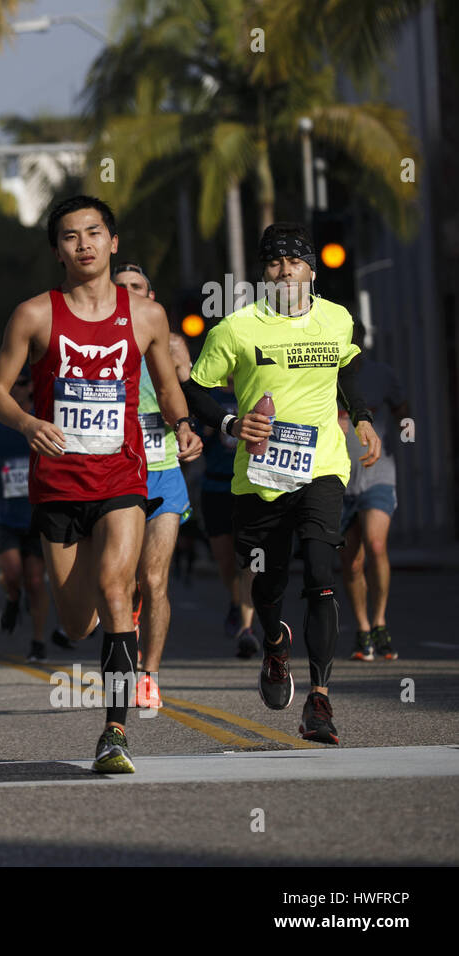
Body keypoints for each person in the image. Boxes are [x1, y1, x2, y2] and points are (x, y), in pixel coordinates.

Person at [0, 195, 201, 774]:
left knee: (116, 587)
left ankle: (114, 731)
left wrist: (181, 425)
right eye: (71, 237)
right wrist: (29, 423)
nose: (84, 244)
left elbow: (168, 385)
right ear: (57, 250)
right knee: (78, 622)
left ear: (113, 241)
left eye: (94, 233)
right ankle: (91, 635)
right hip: (58, 484)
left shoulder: (146, 316)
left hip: (122, 475)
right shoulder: (35, 314)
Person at [179, 221, 380, 745]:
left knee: (320, 571)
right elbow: (195, 389)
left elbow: (348, 366)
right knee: (267, 585)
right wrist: (228, 424)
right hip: (260, 477)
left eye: (295, 261)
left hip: (323, 468)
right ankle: (273, 641)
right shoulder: (237, 328)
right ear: (263, 273)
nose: (286, 270)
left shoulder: (335, 319)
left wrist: (360, 416)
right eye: (274, 262)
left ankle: (320, 700)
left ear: (311, 269)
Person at [111, 261, 194, 709]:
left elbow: (191, 393)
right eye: (119, 287)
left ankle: (149, 676)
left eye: (136, 287)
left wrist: (190, 427)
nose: (128, 293)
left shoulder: (168, 340)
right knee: (119, 583)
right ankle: (123, 648)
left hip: (163, 470)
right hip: (114, 474)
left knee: (154, 577)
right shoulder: (96, 337)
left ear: (151, 294)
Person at [338, 328, 408, 662]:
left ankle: (380, 622)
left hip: (379, 474)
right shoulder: (327, 375)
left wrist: (406, 436)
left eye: (356, 336)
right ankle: (363, 628)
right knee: (351, 562)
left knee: (376, 544)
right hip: (339, 480)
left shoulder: (383, 375)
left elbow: (403, 412)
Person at [0, 371, 51, 662]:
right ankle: (11, 597)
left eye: (25, 382)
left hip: (36, 512)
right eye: (16, 383)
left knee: (35, 580)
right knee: (12, 574)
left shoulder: (44, 418)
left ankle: (38, 641)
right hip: (5, 514)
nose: (22, 387)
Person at [197, 378, 259, 656]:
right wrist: (209, 425)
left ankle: (246, 627)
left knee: (247, 557)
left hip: (247, 485)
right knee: (224, 558)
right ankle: (236, 601)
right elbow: (196, 435)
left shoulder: (255, 389)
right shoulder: (209, 396)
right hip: (215, 485)